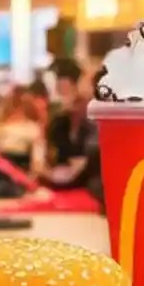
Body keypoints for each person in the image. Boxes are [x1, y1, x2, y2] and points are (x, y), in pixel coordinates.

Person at [38, 59, 98, 190]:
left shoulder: (94, 128)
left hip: (87, 190)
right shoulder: (57, 125)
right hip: (58, 191)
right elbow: (41, 164)